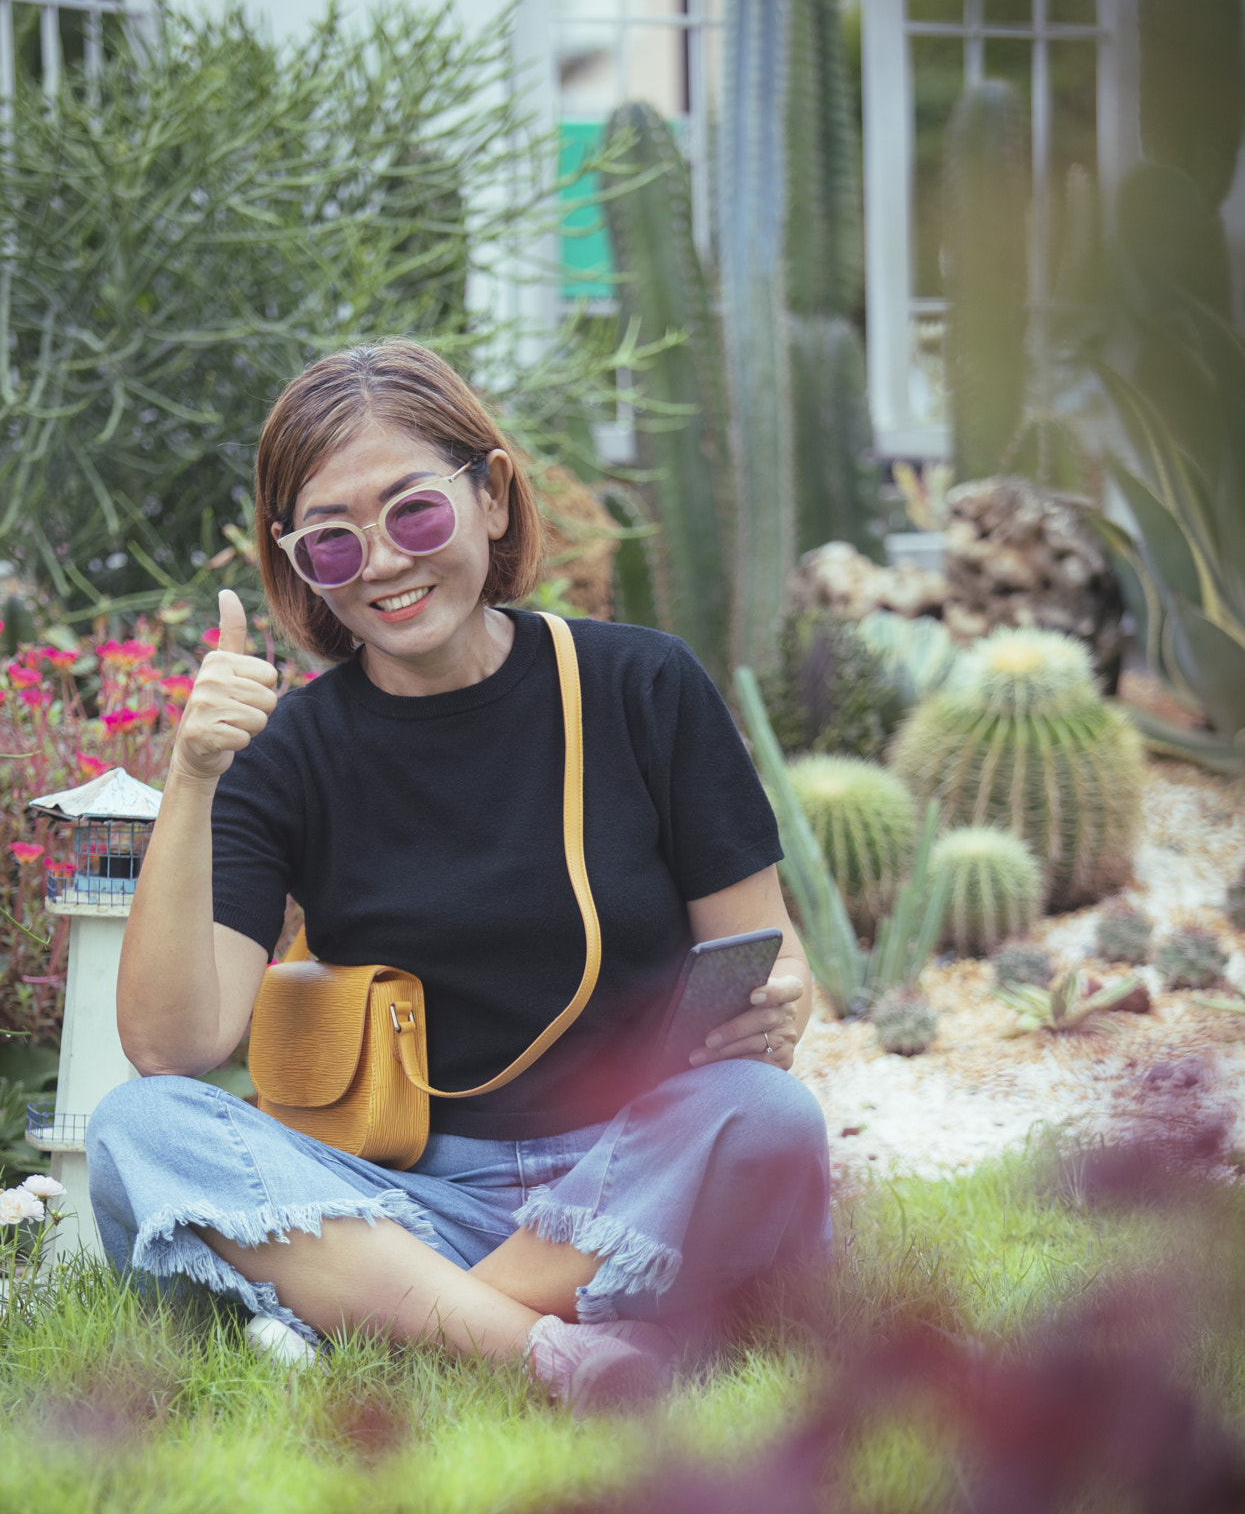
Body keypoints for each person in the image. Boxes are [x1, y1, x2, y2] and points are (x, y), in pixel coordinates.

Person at [88, 339, 830, 1412]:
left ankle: (405, 1319)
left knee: (768, 1114)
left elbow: (764, 958)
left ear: (490, 497)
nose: (382, 562)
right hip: (401, 1193)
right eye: (331, 545)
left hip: (626, 1169)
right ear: (298, 566)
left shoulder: (641, 685)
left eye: (414, 513)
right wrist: (194, 772)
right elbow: (173, 1044)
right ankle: (557, 1351)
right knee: (138, 1129)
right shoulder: (287, 751)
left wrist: (776, 1005)